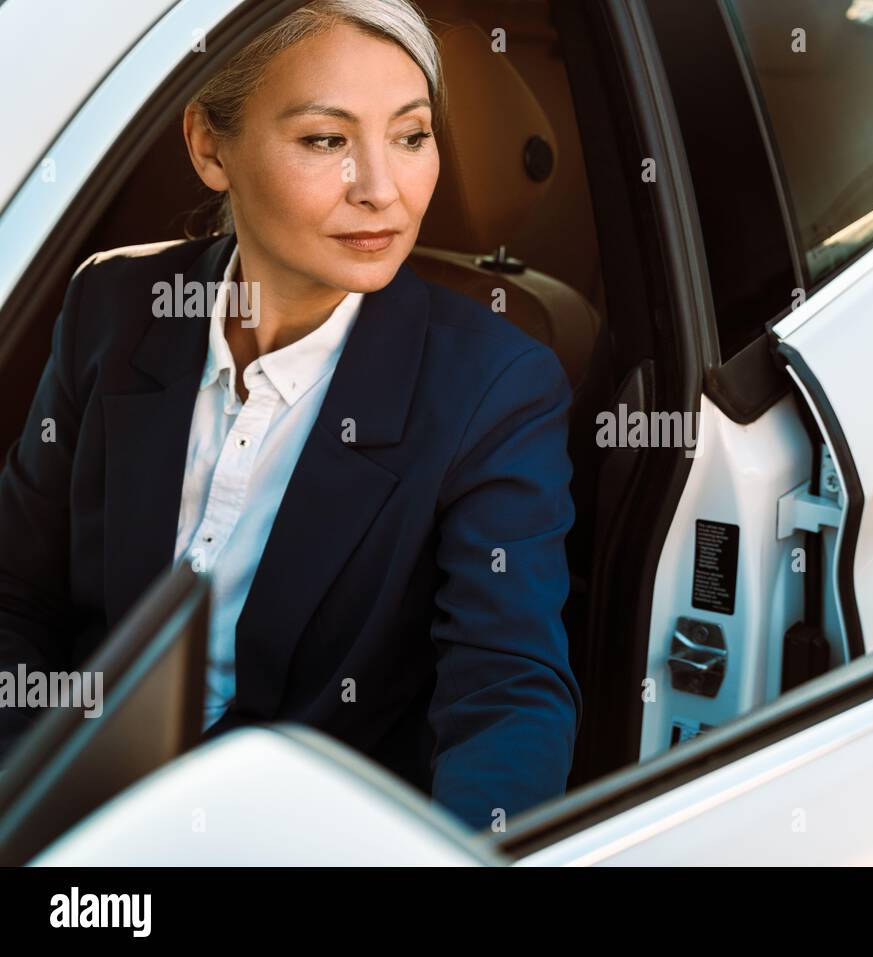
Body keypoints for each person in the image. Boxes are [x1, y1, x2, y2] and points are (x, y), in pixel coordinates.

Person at [0, 0, 581, 833]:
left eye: (412, 137)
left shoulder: (495, 385)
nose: (382, 190)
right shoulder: (113, 306)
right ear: (210, 146)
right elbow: (14, 593)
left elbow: (506, 694)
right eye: (326, 140)